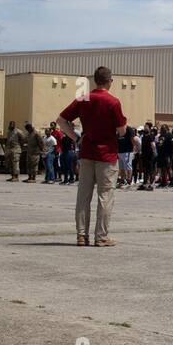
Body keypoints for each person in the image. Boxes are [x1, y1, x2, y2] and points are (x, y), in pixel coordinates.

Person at [58, 66, 127, 247]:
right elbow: (121, 130)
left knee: (83, 196)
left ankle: (81, 235)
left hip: (87, 152)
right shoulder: (113, 102)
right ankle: (101, 236)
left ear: (95, 80)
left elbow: (61, 120)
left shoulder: (84, 98)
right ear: (109, 81)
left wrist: (76, 138)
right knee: (105, 196)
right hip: (107, 154)